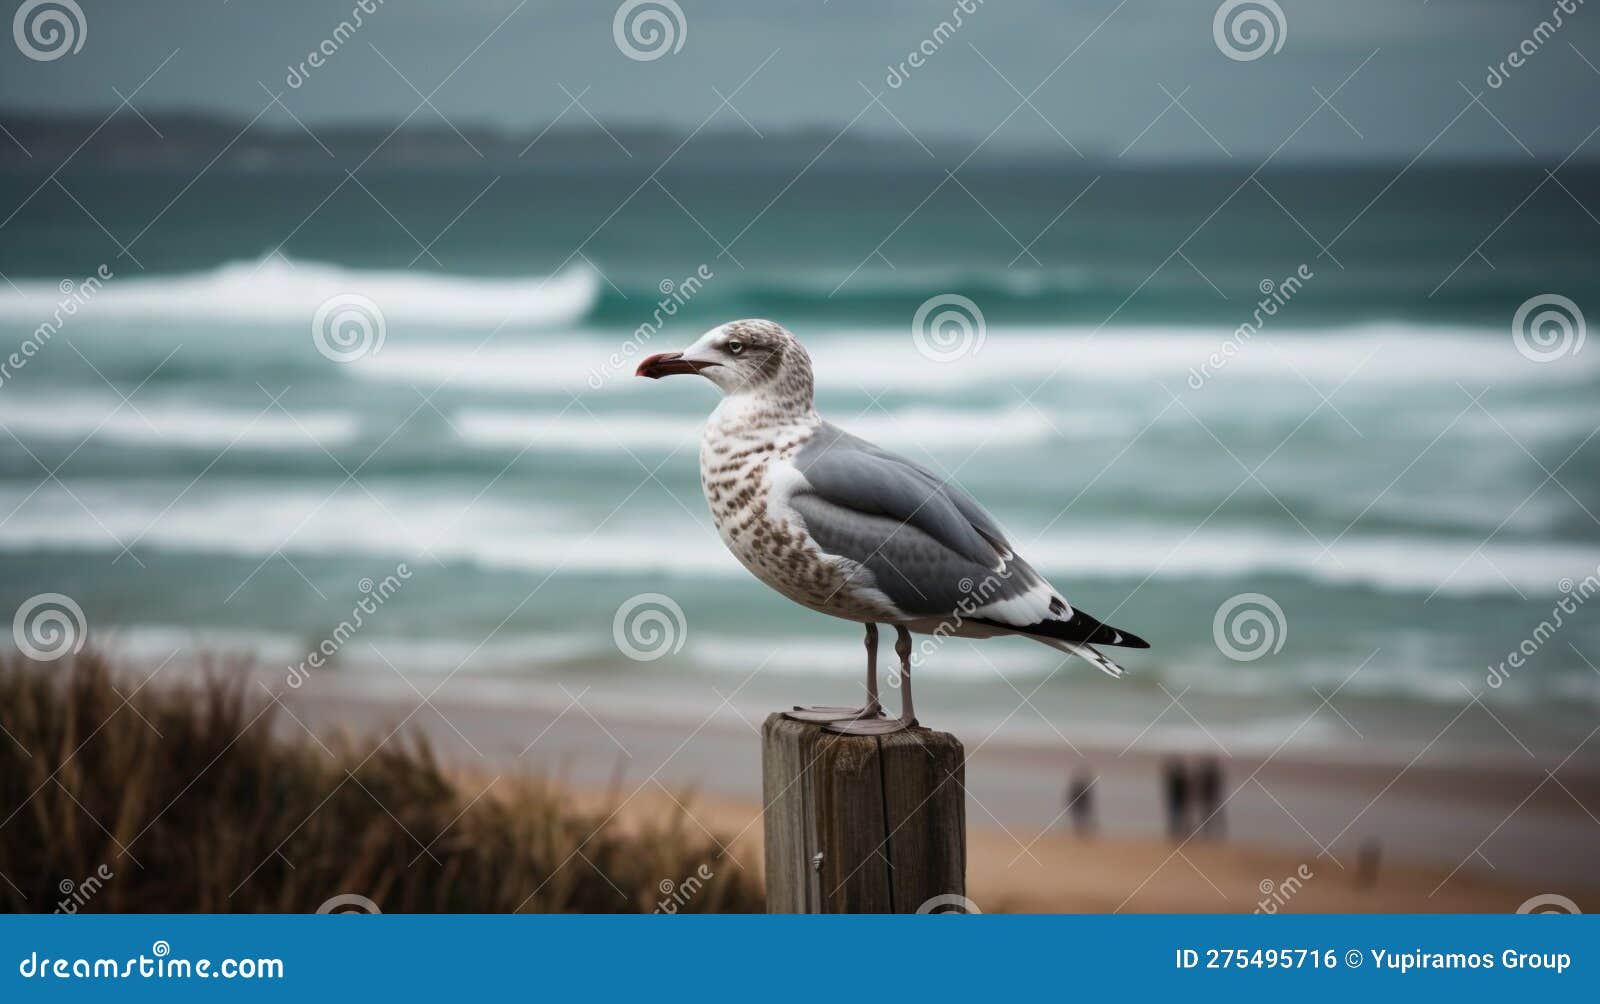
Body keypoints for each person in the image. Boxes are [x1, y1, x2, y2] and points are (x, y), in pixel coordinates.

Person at [1162, 757, 1189, 838]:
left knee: (1179, 816)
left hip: (1178, 799)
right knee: (1176, 816)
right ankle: (1176, 831)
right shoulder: (1177, 777)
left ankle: (1178, 831)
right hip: (1176, 800)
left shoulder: (1177, 778)